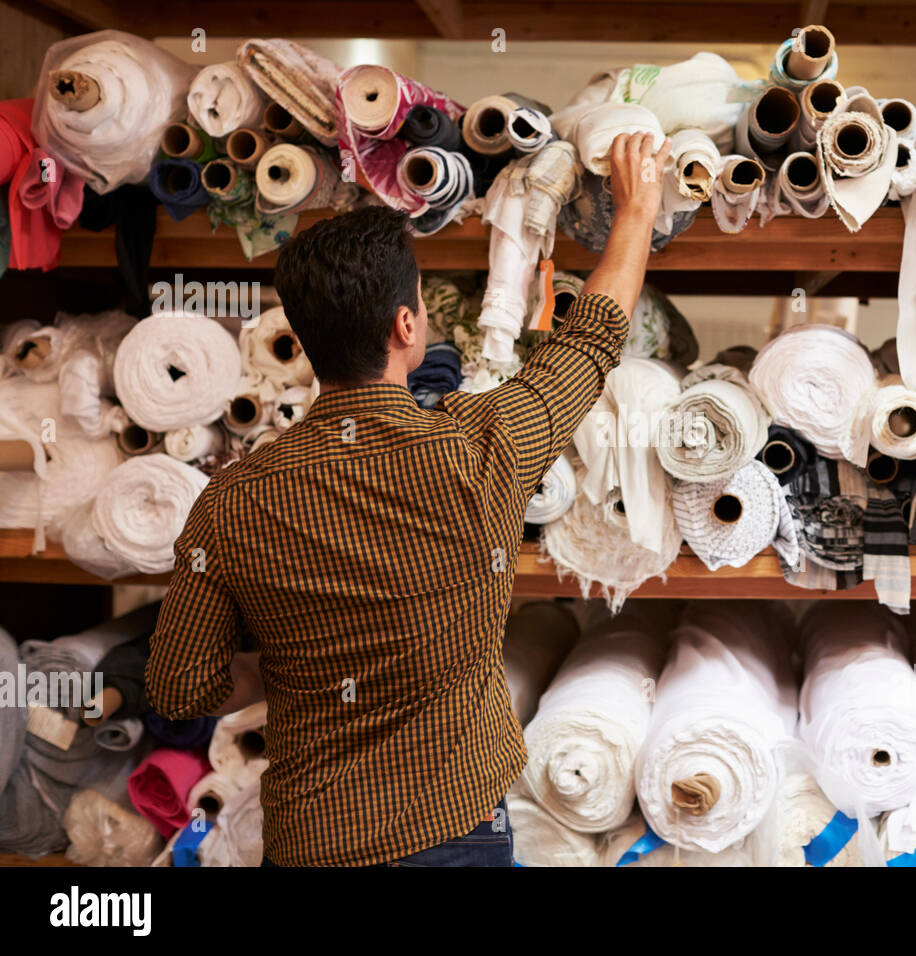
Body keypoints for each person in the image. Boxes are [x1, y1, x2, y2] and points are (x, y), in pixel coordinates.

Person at [146, 132, 672, 867]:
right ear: (405, 326)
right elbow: (589, 343)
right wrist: (635, 215)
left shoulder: (232, 499)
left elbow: (178, 686)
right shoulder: (480, 448)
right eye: (420, 304)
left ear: (303, 335)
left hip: (311, 840)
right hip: (456, 833)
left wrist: (302, 662)